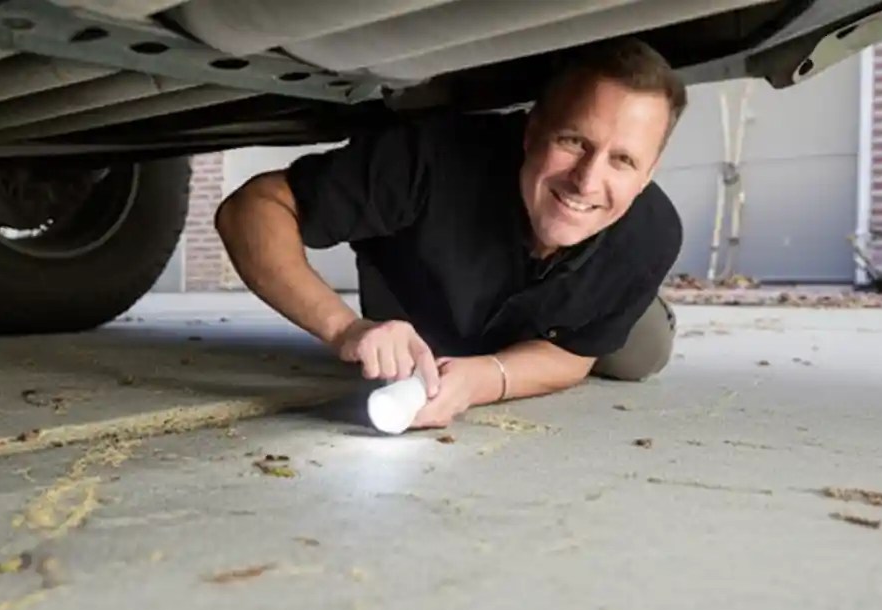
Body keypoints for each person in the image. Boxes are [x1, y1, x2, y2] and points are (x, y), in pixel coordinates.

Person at [215, 38, 685, 429]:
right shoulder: (427, 159)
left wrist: (484, 380)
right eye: (573, 142)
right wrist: (344, 328)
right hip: (439, 315)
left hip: (561, 319)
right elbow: (250, 208)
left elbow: (572, 355)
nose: (586, 180)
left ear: (649, 173)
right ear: (531, 130)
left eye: (622, 160)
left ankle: (635, 308)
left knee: (640, 353)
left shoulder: (651, 235)